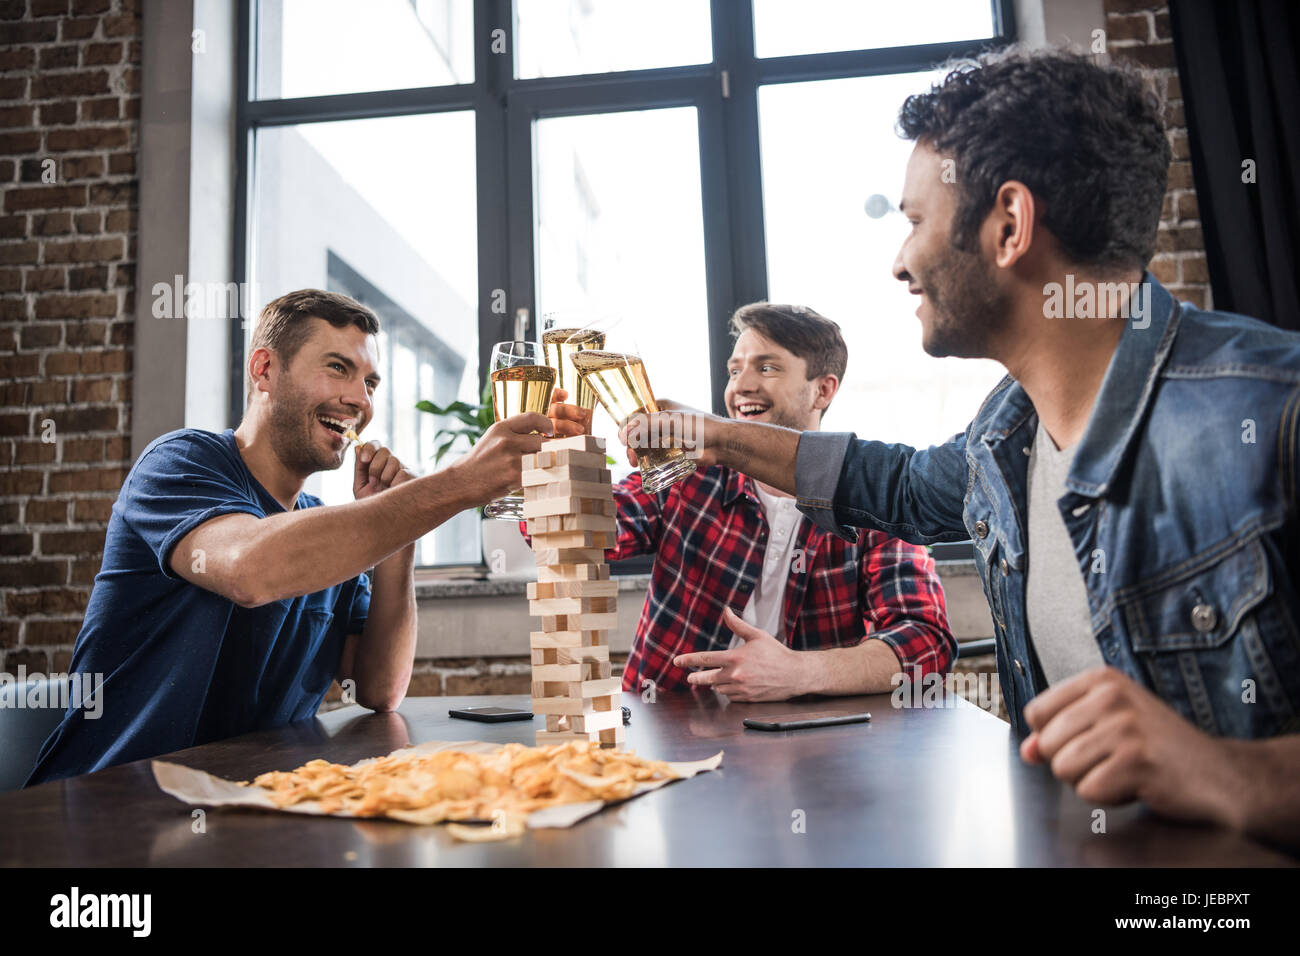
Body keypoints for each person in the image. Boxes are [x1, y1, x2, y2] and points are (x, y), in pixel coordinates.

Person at [619, 48, 1300, 844]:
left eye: (914, 220)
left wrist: (1224, 771)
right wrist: (706, 436)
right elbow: (892, 485)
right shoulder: (1000, 439)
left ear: (1008, 225)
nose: (900, 261)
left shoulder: (1273, 413)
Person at [26, 290, 551, 784]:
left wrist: (398, 542)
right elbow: (251, 572)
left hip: (246, 810)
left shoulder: (324, 528)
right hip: (114, 808)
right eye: (338, 368)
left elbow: (379, 688)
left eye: (370, 383)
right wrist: (461, 483)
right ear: (265, 369)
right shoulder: (180, 462)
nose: (357, 399)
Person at [545, 303, 954, 701]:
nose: (741, 386)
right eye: (735, 370)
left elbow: (925, 644)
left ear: (823, 390)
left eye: (767, 367)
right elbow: (574, 538)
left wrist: (798, 673)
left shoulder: (869, 497)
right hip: (669, 736)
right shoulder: (688, 473)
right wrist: (567, 454)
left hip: (810, 746)